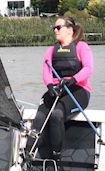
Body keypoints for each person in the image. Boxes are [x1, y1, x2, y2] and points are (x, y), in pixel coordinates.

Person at [30, 15, 93, 160]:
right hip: (57, 89)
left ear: (69, 30)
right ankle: (29, 154)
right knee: (39, 117)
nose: (55, 30)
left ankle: (56, 157)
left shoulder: (81, 47)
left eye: (58, 27)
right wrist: (50, 86)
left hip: (78, 90)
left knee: (56, 114)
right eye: (54, 28)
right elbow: (46, 72)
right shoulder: (51, 50)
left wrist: (73, 80)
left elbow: (88, 69)